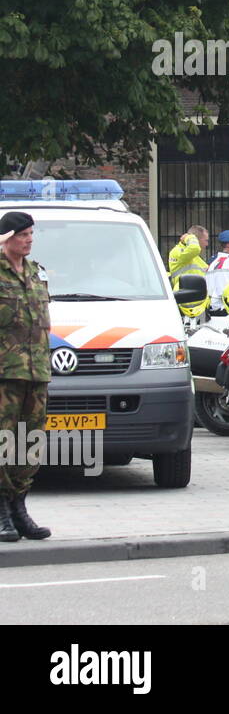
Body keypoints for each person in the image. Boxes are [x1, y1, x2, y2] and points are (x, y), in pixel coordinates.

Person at [0, 214, 53, 542]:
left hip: (36, 373)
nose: (29, 240)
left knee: (30, 442)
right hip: (4, 374)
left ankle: (19, 507)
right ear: (7, 237)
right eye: (22, 235)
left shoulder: (35, 272)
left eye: (31, 234)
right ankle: (2, 510)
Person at [168, 225, 209, 319]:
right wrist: (189, 237)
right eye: (205, 240)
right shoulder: (178, 252)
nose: (207, 244)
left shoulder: (194, 257)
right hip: (187, 305)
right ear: (196, 240)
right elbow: (194, 248)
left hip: (198, 303)